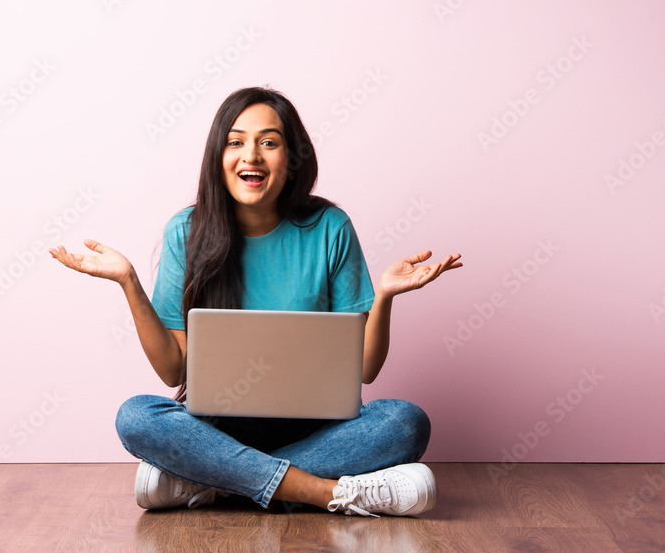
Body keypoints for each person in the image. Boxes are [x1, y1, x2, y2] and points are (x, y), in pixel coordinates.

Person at [50, 87, 462, 517]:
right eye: (235, 142)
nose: (251, 156)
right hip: (219, 432)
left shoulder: (330, 227)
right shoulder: (185, 232)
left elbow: (365, 370)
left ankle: (210, 482)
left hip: (319, 430)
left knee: (404, 422)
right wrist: (129, 282)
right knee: (135, 416)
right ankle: (324, 492)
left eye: (269, 142)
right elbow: (173, 369)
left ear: (292, 159)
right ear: (218, 157)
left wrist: (386, 299)